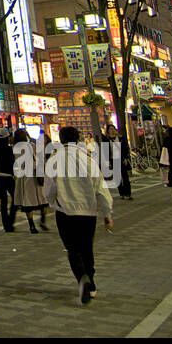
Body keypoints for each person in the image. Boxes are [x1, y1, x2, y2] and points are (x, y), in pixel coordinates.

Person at [44, 126, 113, 306]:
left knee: (72, 248)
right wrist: (107, 213)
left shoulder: (54, 159)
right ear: (78, 138)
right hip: (88, 212)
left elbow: (49, 188)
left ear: (61, 139)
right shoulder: (87, 159)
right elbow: (100, 187)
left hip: (65, 211)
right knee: (86, 247)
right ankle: (91, 282)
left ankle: (81, 277)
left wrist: (53, 202)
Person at [13, 130, 49, 232]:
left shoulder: (16, 148)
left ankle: (31, 225)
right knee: (43, 199)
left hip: (24, 176)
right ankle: (42, 220)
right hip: (36, 174)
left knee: (27, 201)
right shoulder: (31, 145)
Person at [0, 129, 17, 231]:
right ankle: (10, 221)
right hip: (8, 176)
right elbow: (13, 163)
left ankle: (6, 225)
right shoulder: (9, 149)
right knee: (16, 198)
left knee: (3, 201)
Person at [104, 123, 132, 200]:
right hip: (113, 160)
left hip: (122, 159)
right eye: (110, 129)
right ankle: (122, 193)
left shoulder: (120, 138)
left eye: (113, 129)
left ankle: (128, 193)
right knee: (117, 178)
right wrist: (108, 161)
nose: (112, 131)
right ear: (108, 131)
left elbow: (126, 148)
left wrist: (126, 158)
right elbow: (105, 151)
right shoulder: (106, 140)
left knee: (125, 176)